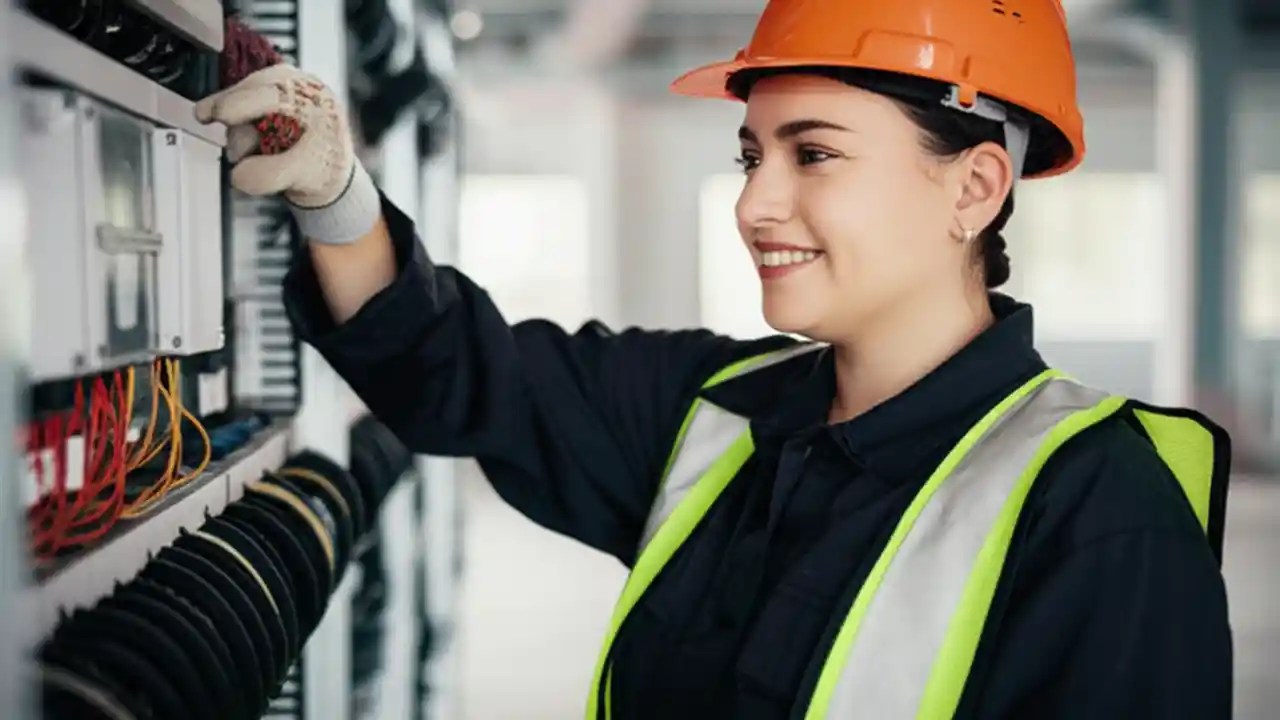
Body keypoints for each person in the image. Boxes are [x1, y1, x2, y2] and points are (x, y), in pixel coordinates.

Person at [195, 0, 1233, 717]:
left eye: (813, 154)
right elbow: (454, 371)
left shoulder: (1098, 506)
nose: (751, 203)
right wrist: (334, 195)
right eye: (751, 155)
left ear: (972, 189)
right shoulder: (711, 409)